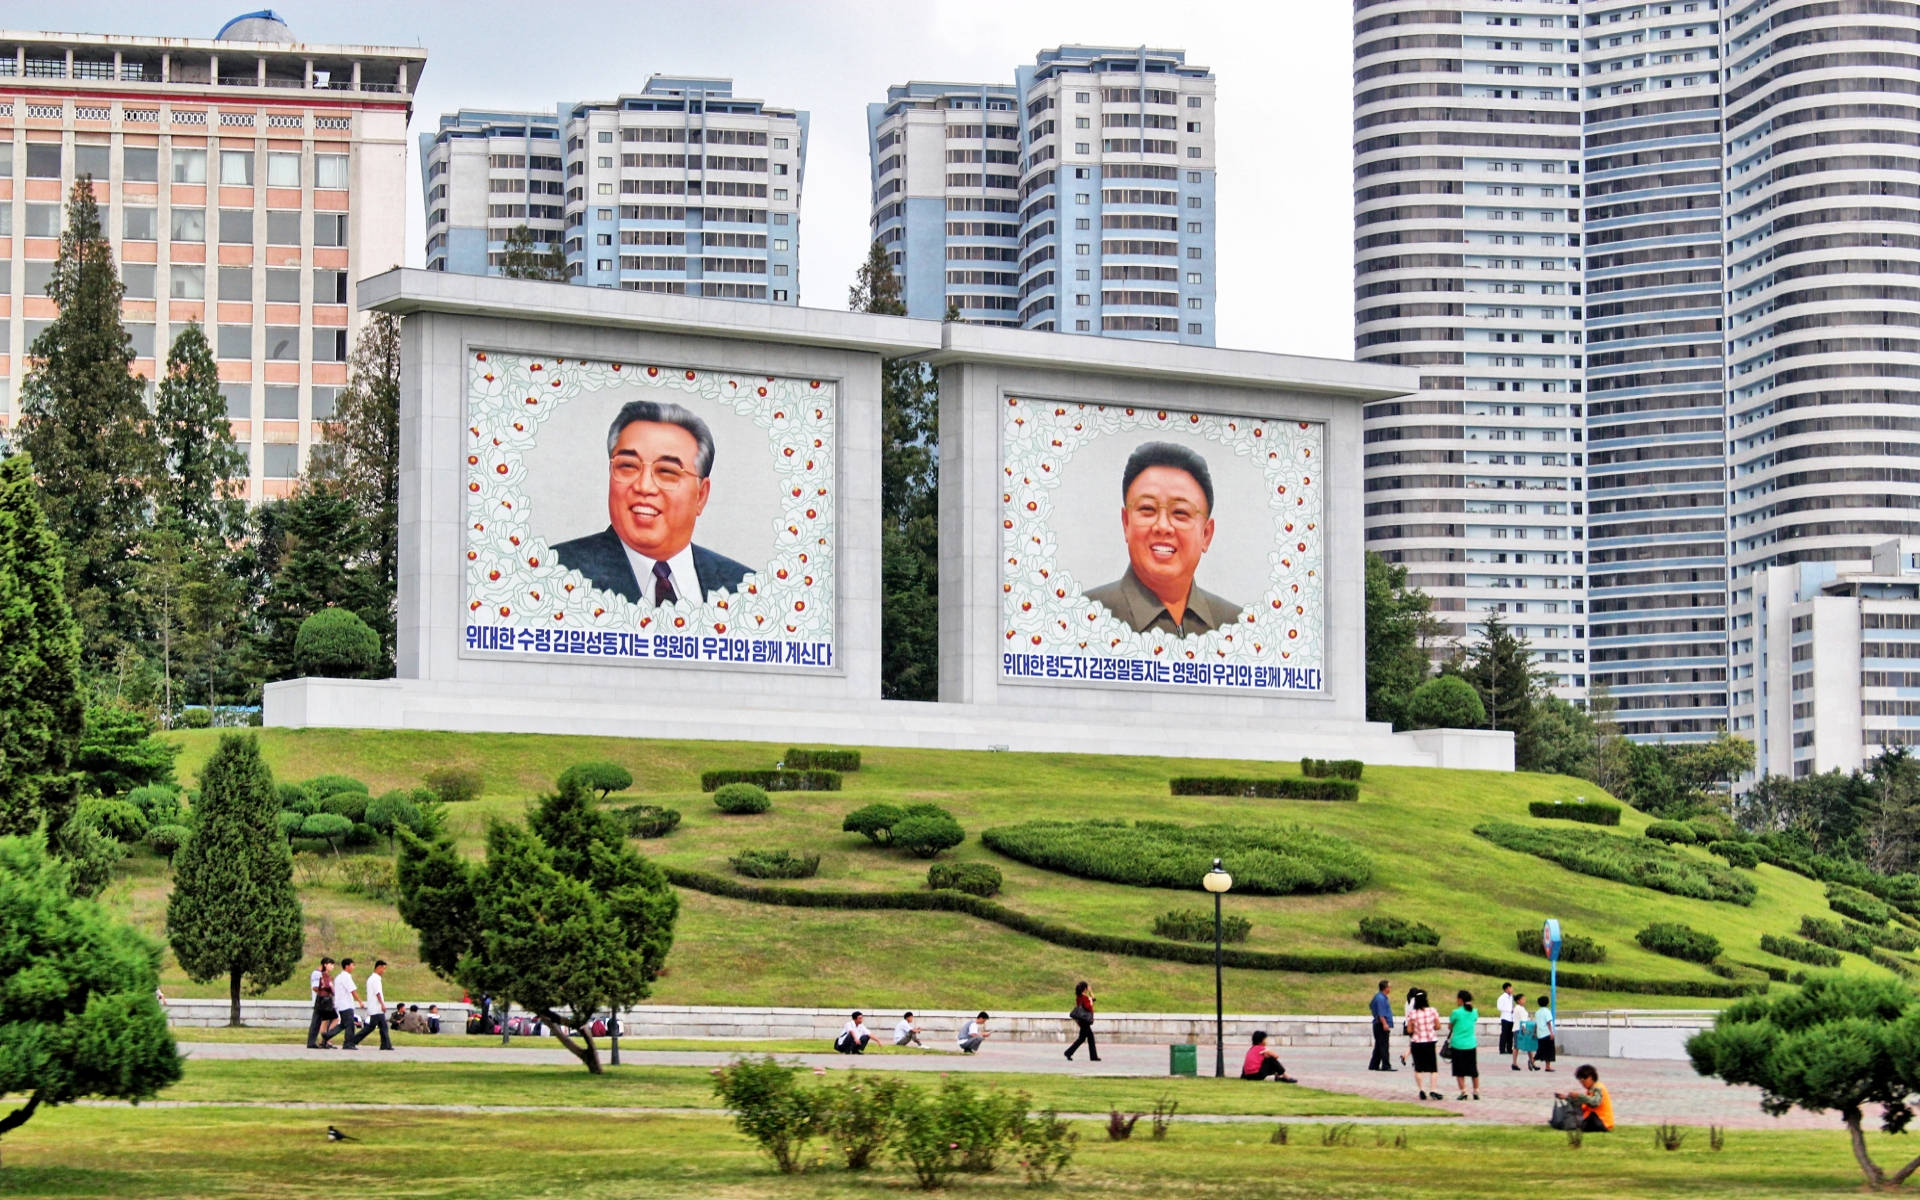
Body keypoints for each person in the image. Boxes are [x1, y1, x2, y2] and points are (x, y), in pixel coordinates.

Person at [550, 400, 751, 605]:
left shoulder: (745, 588)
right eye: (628, 466)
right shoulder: (553, 573)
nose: (644, 487)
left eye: (666, 471)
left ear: (701, 495)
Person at [1084, 441, 1242, 635]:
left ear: (1206, 535)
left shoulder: (1237, 626)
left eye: (1181, 513)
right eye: (1147, 509)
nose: (1163, 527)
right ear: (1126, 523)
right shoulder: (1084, 617)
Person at [1405, 988, 1443, 1100]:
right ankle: (1433, 1089)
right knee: (1433, 1068)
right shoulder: (1432, 1011)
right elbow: (1438, 1026)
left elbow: (1409, 1030)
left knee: (1418, 1068)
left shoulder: (1412, 1014)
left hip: (1417, 1042)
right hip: (1430, 1041)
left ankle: (1421, 1090)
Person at [347, 960, 394, 1051]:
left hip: (375, 1007)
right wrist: (382, 1004)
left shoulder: (372, 978)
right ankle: (352, 1041)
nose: (384, 971)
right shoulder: (375, 979)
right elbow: (378, 993)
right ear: (378, 967)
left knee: (383, 1026)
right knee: (371, 1027)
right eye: (383, 969)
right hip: (376, 1008)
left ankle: (386, 1044)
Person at [1555, 1064, 1615, 1132]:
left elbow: (1595, 1102)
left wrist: (1579, 1096)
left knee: (1571, 1123)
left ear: (1590, 1077)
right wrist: (1567, 1098)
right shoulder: (1591, 1089)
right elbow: (1584, 1104)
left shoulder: (1599, 1088)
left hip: (1601, 1122)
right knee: (1569, 1121)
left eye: (1583, 1081)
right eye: (1580, 1082)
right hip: (1596, 1121)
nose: (1582, 1084)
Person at [1447, 989, 1481, 1100]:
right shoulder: (1474, 1011)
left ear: (1460, 1000)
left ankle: (1463, 1092)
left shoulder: (1456, 1012)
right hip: (1471, 1043)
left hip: (1458, 1044)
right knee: (1473, 1070)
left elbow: (1450, 1026)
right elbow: (1474, 1020)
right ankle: (1476, 1091)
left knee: (1459, 1070)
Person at [319, 958, 359, 1049]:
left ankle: (327, 1036)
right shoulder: (346, 976)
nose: (353, 967)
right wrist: (360, 1001)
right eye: (352, 965)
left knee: (343, 1025)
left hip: (341, 1005)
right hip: (346, 1005)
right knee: (350, 1025)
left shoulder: (339, 977)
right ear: (347, 966)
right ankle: (348, 1044)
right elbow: (352, 990)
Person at [305, 955, 336, 1050]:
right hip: (321, 1000)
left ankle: (323, 1041)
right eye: (331, 964)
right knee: (317, 1021)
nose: (332, 967)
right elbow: (315, 987)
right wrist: (324, 994)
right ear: (325, 964)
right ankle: (312, 1042)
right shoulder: (317, 973)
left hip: (325, 1000)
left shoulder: (324, 974)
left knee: (326, 1020)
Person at [1065, 981, 1101, 1063]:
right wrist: (1090, 998)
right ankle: (1068, 1052)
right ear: (1085, 988)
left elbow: (1093, 999)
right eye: (1087, 988)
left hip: (1082, 1021)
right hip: (1085, 1021)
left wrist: (1090, 993)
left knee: (1086, 1038)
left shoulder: (1079, 997)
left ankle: (1093, 1056)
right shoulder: (1084, 998)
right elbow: (1088, 1007)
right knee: (1083, 1039)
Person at [1367, 980, 1396, 1072]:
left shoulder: (1378, 997)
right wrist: (1385, 1023)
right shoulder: (1381, 998)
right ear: (1385, 988)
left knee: (1379, 1045)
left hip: (1378, 1024)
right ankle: (1386, 1065)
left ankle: (1373, 1065)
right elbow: (1381, 1013)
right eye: (1389, 987)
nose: (1390, 988)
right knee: (1384, 1045)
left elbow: (1371, 1006)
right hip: (1381, 1024)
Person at [1512, 993, 1537, 1071]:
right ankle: (1516, 1063)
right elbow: (1523, 1021)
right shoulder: (1520, 1009)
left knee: (1519, 1046)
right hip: (1521, 1029)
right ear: (1519, 1000)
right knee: (1519, 1046)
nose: (1524, 1000)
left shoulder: (1518, 1008)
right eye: (1523, 999)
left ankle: (1531, 1062)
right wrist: (1524, 1031)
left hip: (1518, 1028)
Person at [1535, 995, 1557, 1072]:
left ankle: (1532, 1060)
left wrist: (1535, 1032)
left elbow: (1536, 1023)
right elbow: (1548, 1022)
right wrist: (1551, 1032)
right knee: (1549, 1051)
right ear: (1547, 1003)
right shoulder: (1547, 1011)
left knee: (1540, 1049)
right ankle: (1548, 1066)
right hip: (1546, 1033)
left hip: (1540, 1033)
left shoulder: (1537, 1012)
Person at [1496, 982, 1516, 1062]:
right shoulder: (1502, 997)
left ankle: (1509, 1048)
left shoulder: (1511, 997)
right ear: (1507, 989)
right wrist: (1509, 1010)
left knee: (1510, 1034)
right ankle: (1502, 1049)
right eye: (1511, 988)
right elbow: (1499, 1007)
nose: (1512, 989)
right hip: (1505, 1017)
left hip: (1511, 1018)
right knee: (1504, 1033)